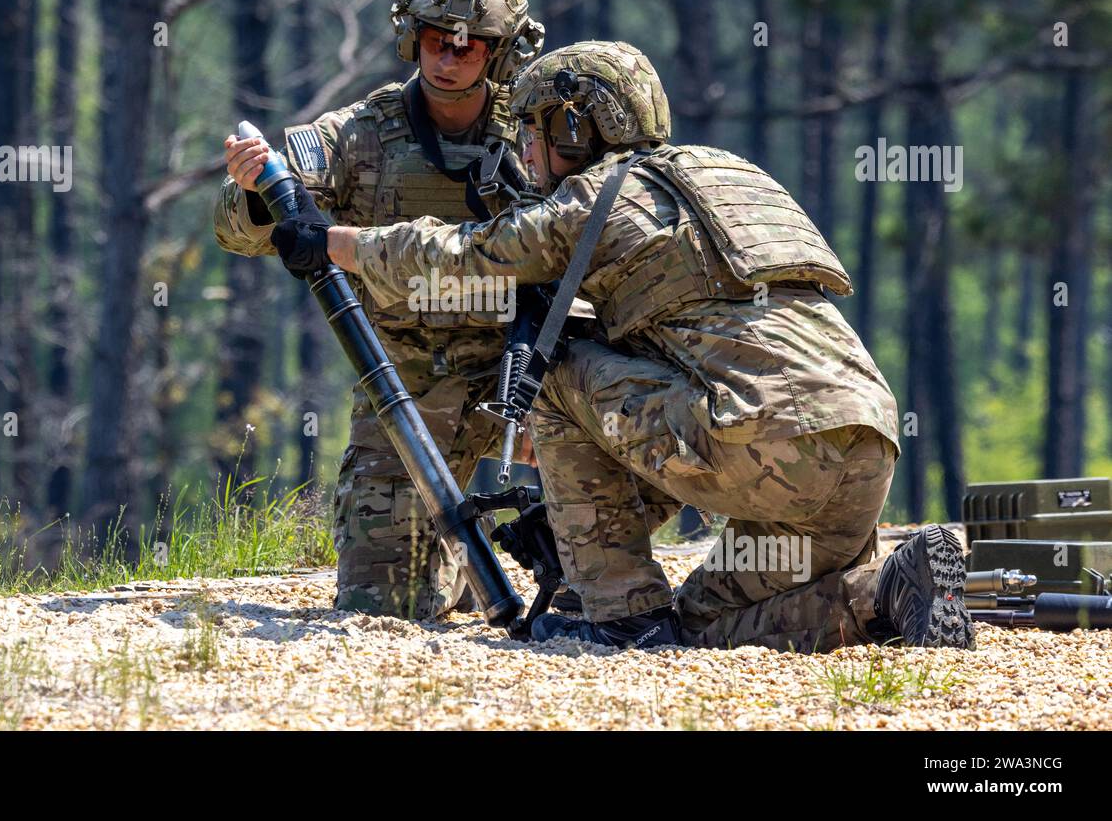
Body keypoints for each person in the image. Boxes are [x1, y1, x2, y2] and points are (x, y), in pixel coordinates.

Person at [275, 40, 975, 652]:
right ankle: (886, 590)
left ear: (574, 130)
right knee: (699, 623)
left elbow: (465, 255)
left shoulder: (597, 201)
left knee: (553, 373)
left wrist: (334, 243)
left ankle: (618, 612)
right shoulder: (729, 176)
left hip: (757, 442)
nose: (525, 151)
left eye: (536, 131)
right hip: (863, 448)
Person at [214, 0, 545, 621]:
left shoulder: (539, 133)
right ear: (410, 38)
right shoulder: (360, 134)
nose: (448, 59)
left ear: (501, 54)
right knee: (388, 605)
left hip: (534, 374)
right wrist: (254, 190)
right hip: (411, 391)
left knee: (605, 582)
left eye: (468, 47)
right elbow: (239, 231)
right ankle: (451, 560)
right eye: (434, 41)